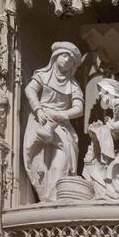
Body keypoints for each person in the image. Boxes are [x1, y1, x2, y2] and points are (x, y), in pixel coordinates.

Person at [23, 41, 85, 201]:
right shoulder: (42, 76)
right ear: (55, 57)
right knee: (38, 163)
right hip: (40, 121)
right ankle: (44, 198)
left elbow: (79, 108)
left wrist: (62, 115)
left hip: (61, 127)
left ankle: (55, 199)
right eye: (64, 56)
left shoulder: (73, 84)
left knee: (61, 163)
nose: (66, 61)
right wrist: (38, 109)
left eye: (71, 60)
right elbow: (30, 90)